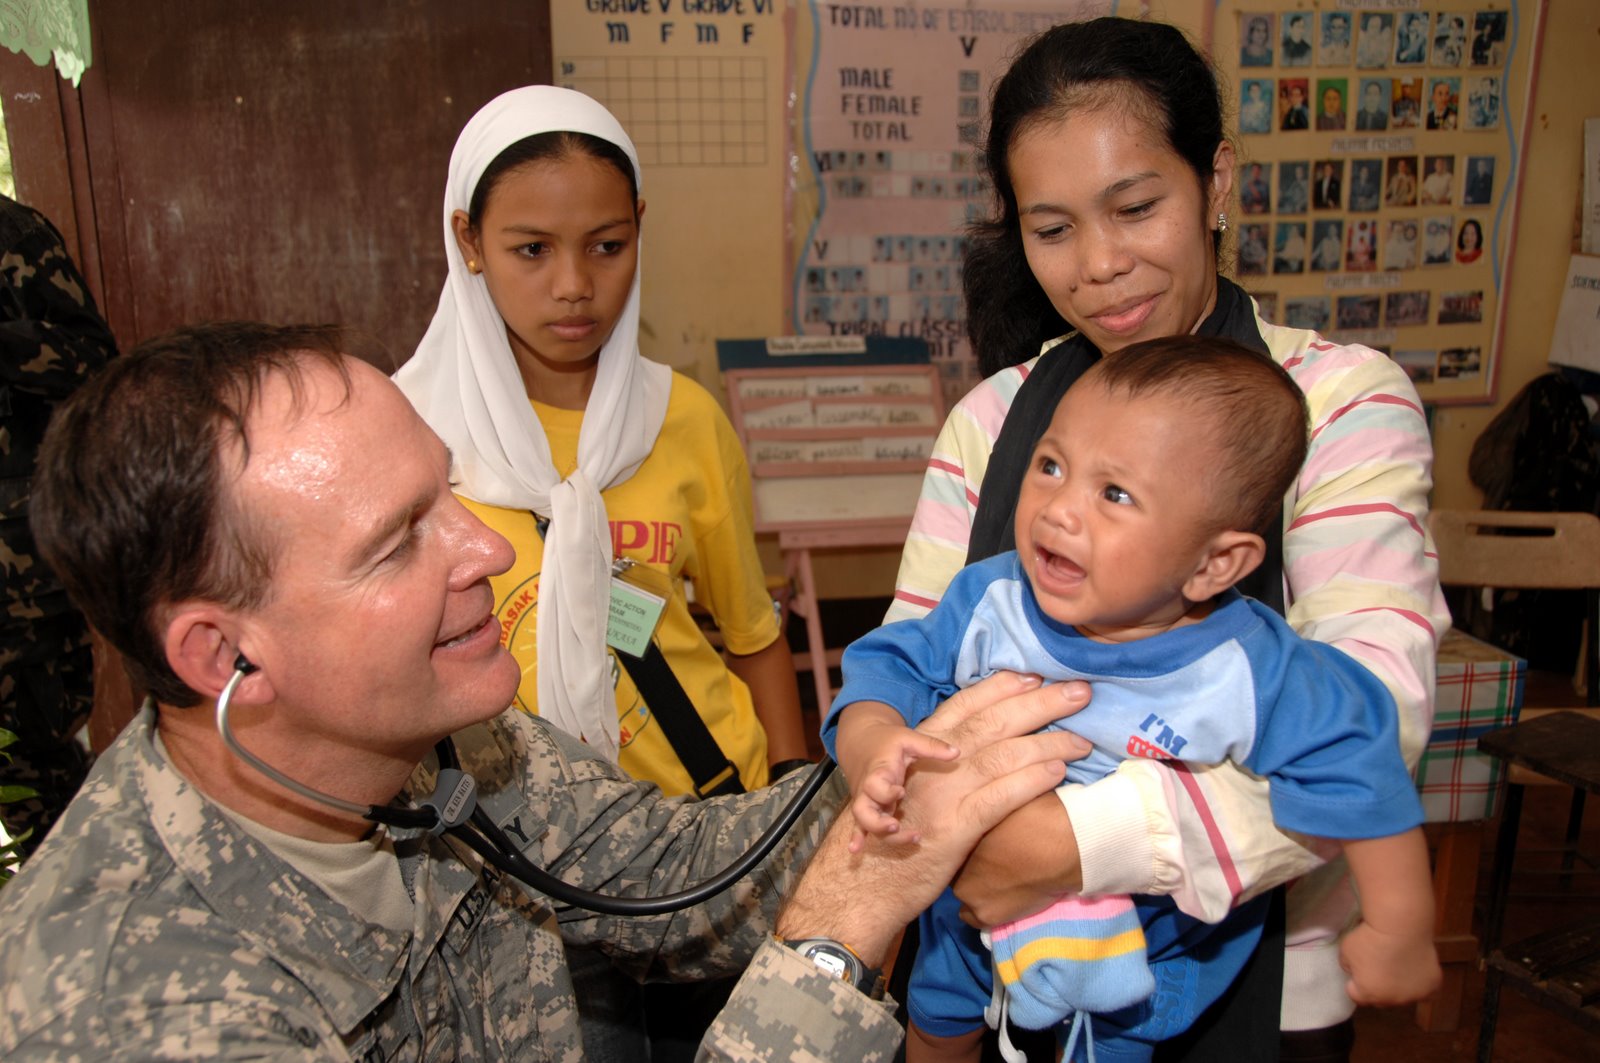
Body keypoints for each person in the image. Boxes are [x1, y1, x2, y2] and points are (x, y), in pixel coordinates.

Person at [0, 321, 1094, 1060]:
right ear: (223, 657)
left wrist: (928, 765)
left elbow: (673, 872)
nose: (479, 548)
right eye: (394, 545)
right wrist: (836, 936)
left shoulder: (448, 746)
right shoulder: (137, 1005)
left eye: (450, 492)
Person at [897, 17, 1447, 1061]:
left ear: (1217, 184)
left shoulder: (1334, 401)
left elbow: (1377, 711)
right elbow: (916, 669)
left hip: (1267, 979)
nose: (1099, 266)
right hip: (1003, 969)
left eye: (1136, 207)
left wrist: (1065, 845)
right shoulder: (992, 420)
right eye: (1051, 229)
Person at [829, 338, 1438, 1063]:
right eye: (1051, 465)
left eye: (1114, 494)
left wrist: (1399, 925)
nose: (1059, 509)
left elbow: (1361, 754)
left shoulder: (1245, 667)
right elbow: (886, 661)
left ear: (1216, 562)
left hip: (1148, 951)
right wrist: (875, 741)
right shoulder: (991, 598)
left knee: (1113, 1031)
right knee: (937, 1014)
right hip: (967, 912)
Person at [393, 85, 809, 1059]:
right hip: (514, 858)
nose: (575, 283)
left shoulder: (683, 418)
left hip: (700, 829)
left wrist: (788, 806)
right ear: (468, 240)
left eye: (606, 245)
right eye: (532, 248)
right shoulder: (411, 435)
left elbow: (751, 635)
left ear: (639, 233)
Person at [0, 194, 118, 858]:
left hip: (16, 582)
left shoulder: (11, 233)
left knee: (37, 763)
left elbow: (93, 361)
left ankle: (92, 916)